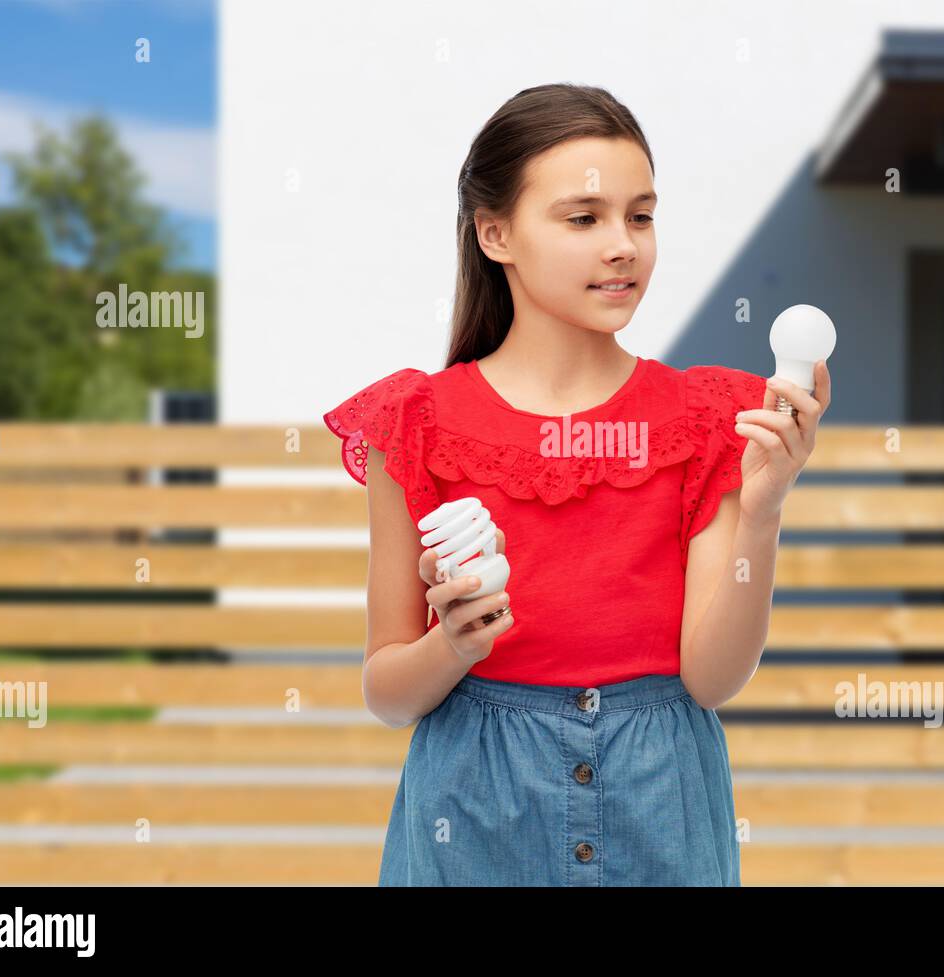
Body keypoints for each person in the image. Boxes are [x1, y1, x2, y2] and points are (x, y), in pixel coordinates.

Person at [322, 83, 830, 886]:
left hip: (663, 809)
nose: (623, 245)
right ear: (496, 234)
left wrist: (763, 512)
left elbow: (713, 676)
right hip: (475, 819)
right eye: (583, 218)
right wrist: (451, 644)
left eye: (640, 215)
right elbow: (387, 692)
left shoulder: (709, 420)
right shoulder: (414, 422)